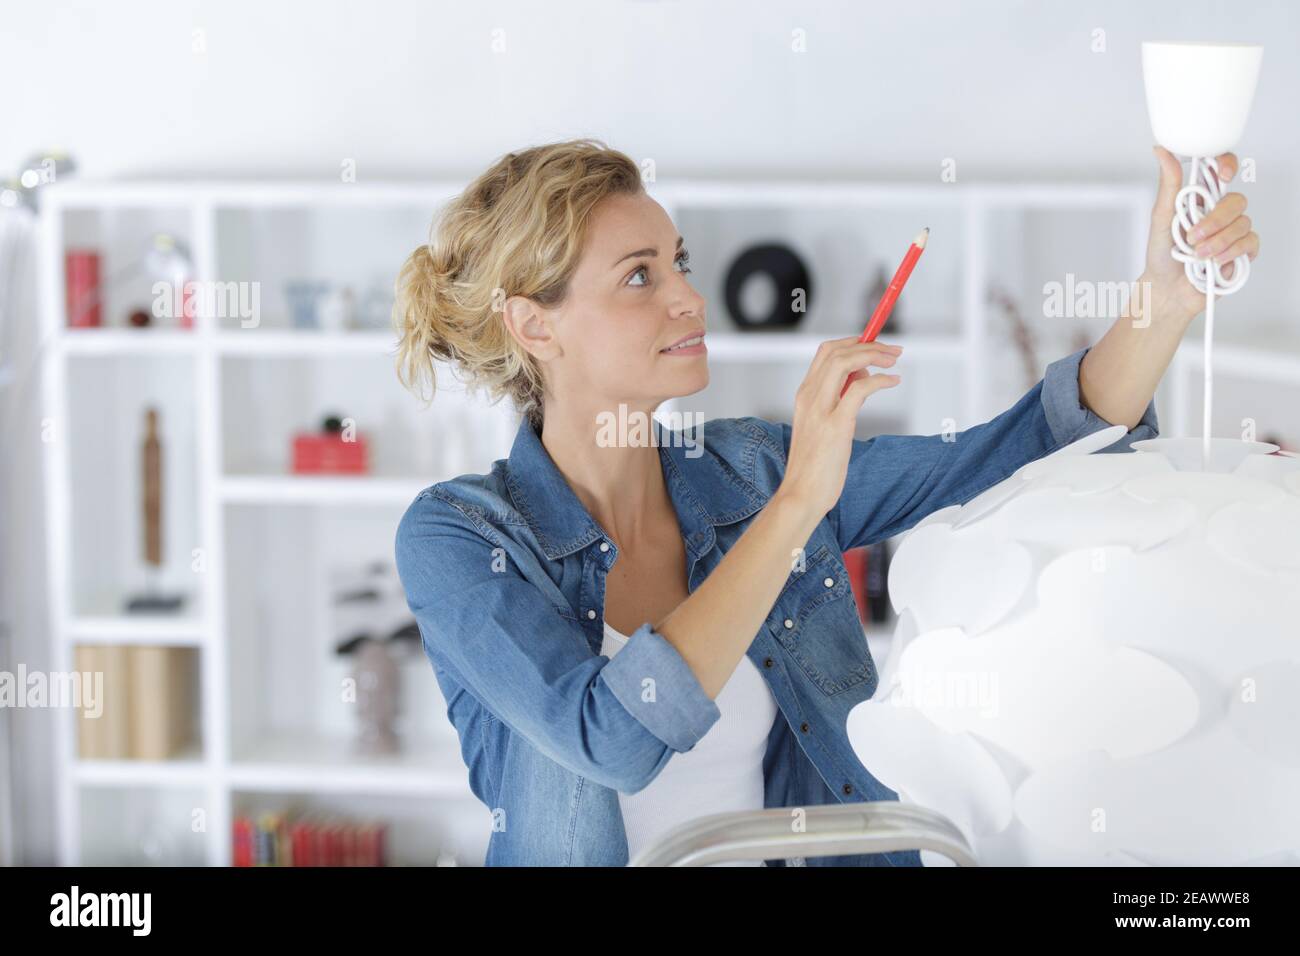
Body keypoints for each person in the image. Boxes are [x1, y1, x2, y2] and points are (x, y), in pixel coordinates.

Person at [391, 139, 1259, 866]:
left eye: (678, 263)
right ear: (533, 326)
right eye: (638, 277)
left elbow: (1028, 449)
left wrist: (1170, 293)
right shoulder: (459, 538)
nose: (689, 296)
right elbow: (615, 739)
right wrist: (802, 501)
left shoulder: (753, 469)